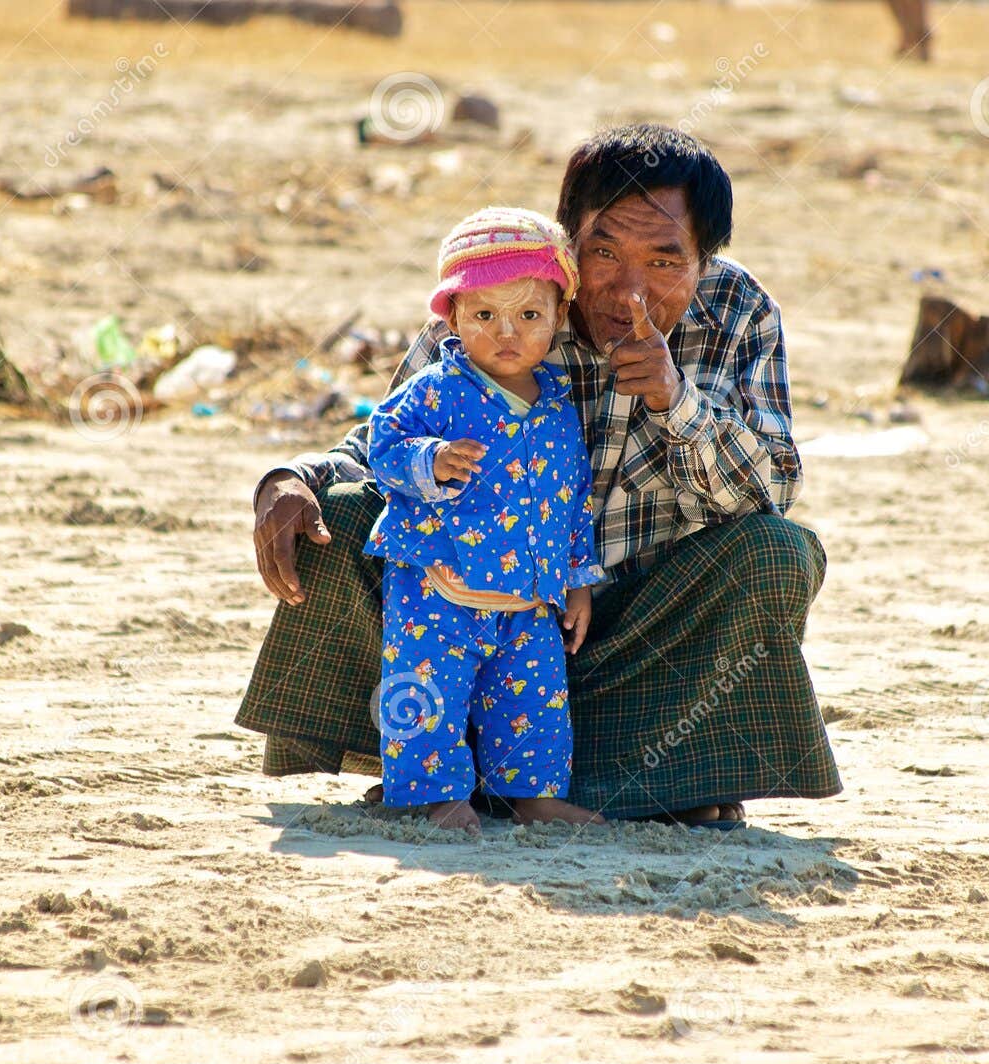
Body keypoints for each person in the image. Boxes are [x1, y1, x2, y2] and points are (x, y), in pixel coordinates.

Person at [242, 124, 841, 829]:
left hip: (644, 649)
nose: (629, 290)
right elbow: (385, 444)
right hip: (463, 622)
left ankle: (609, 766)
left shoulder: (740, 313)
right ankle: (487, 767)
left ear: (705, 260)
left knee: (778, 552)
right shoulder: (504, 290)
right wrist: (285, 480)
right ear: (567, 244)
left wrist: (677, 403)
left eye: (664, 260)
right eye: (605, 252)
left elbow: (771, 485)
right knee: (337, 514)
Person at [365, 207, 606, 833]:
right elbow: (381, 444)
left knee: (535, 701)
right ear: (452, 317)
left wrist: (577, 579)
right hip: (436, 585)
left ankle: (534, 795)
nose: (507, 333)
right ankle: (433, 795)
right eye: (484, 316)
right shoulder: (437, 390)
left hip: (529, 598)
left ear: (559, 318)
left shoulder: (558, 410)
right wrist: (431, 460)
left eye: (529, 315)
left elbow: (573, 502)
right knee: (428, 693)